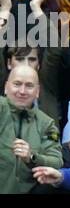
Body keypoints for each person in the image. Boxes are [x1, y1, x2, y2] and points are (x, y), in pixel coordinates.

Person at [0, 63, 62, 194]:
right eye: (17, 84)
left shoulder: (47, 124)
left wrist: (32, 157)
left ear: (37, 92)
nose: (22, 91)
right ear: (6, 87)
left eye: (29, 86)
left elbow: (57, 161)